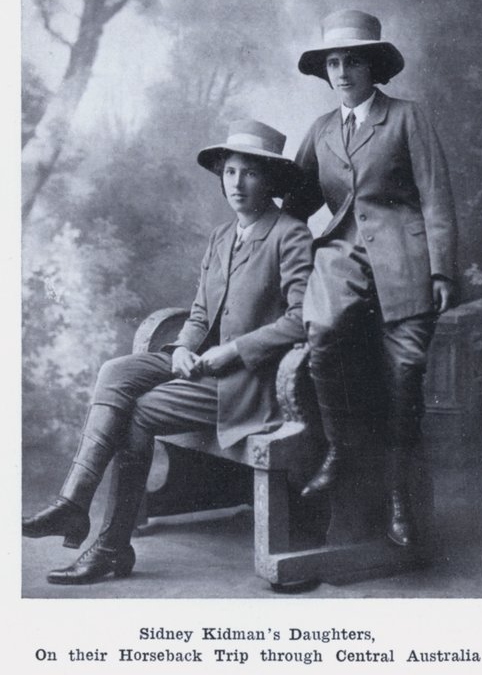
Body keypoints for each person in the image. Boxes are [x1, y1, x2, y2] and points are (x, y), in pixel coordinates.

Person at [23, 119, 313, 584]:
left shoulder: (290, 234)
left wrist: (233, 351)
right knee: (116, 371)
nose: (237, 184)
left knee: (138, 412)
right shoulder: (222, 237)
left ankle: (110, 545)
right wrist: (181, 348)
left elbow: (302, 320)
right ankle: (73, 504)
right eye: (231, 172)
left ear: (271, 179)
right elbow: (199, 312)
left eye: (250, 173)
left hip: (249, 380)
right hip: (201, 366)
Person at [284, 9, 458, 547]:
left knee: (403, 380)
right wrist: (265, 233)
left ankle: (401, 500)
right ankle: (340, 449)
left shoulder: (408, 117)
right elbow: (297, 203)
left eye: (352, 60)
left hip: (406, 264)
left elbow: (435, 196)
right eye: (333, 62)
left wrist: (442, 269)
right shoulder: (320, 130)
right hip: (342, 259)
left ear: (372, 67)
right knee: (324, 331)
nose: (341, 71)